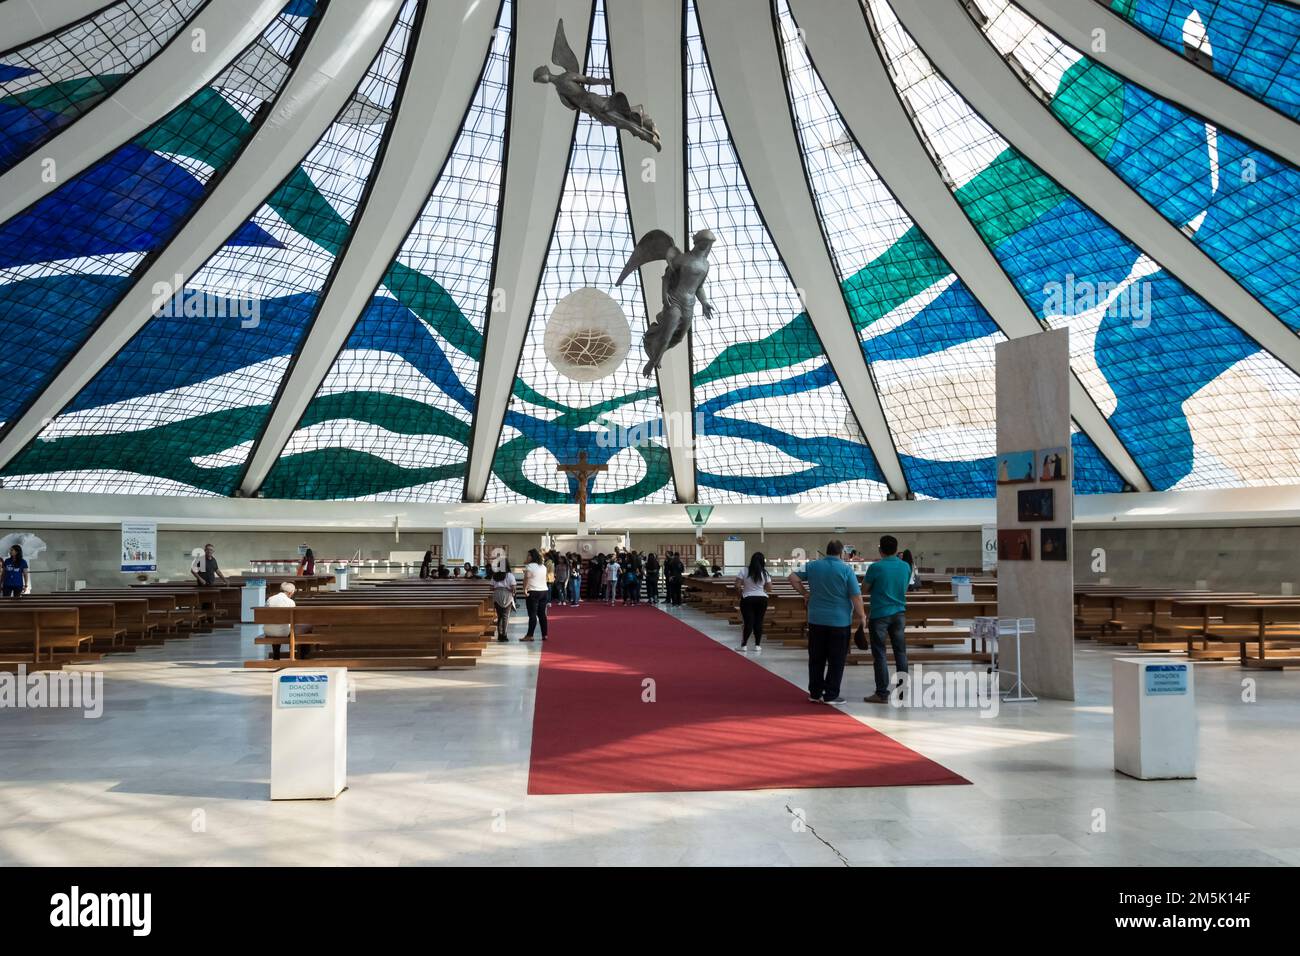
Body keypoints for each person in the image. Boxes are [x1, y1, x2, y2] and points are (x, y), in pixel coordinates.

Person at [787, 539, 866, 705]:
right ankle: (831, 694)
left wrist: (805, 593)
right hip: (839, 620)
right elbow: (855, 595)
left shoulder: (813, 566)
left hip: (816, 619)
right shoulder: (846, 569)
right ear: (841, 552)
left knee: (816, 657)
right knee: (836, 659)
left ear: (827, 551)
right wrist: (862, 615)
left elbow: (792, 577)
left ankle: (815, 693)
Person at [862, 535, 911, 704]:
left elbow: (865, 589)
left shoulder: (876, 567)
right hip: (899, 613)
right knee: (901, 652)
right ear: (897, 549)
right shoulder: (905, 566)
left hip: (880, 614)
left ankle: (882, 693)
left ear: (880, 550)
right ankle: (903, 691)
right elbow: (903, 587)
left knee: (880, 654)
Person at [736, 552, 771, 654]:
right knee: (759, 621)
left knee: (748, 622)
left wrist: (741, 594)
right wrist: (761, 589)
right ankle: (757, 645)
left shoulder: (744, 570)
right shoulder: (765, 572)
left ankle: (744, 645)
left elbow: (737, 585)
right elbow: (769, 588)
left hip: (748, 598)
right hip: (762, 599)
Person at [263, 581, 297, 660]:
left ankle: (276, 656)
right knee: (286, 627)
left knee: (276, 625)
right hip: (284, 632)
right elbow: (294, 620)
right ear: (290, 593)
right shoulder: (290, 602)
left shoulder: (270, 599)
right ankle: (302, 655)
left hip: (268, 631)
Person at [522, 549, 549, 642]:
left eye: (528, 555)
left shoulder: (529, 566)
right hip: (544, 591)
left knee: (532, 614)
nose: (527, 557)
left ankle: (530, 635)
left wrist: (524, 589)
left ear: (532, 556)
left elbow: (526, 579)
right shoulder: (543, 566)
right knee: (542, 614)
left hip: (533, 591)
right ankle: (544, 634)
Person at [491, 569, 517, 642]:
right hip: (507, 595)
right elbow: (514, 588)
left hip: (497, 595)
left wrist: (497, 587)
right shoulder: (509, 575)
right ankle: (504, 635)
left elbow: (491, 588)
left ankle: (499, 635)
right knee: (505, 616)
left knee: (500, 616)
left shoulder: (495, 575)